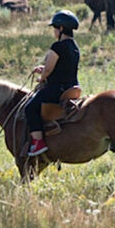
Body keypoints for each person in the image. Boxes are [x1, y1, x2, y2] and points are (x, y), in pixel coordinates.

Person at [24, 10, 81, 156]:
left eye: (55, 28)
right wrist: (43, 71)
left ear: (61, 29)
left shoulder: (57, 46)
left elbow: (49, 69)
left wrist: (42, 77)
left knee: (29, 108)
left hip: (56, 89)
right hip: (71, 87)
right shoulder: (74, 47)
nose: (54, 31)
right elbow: (63, 67)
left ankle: (38, 143)